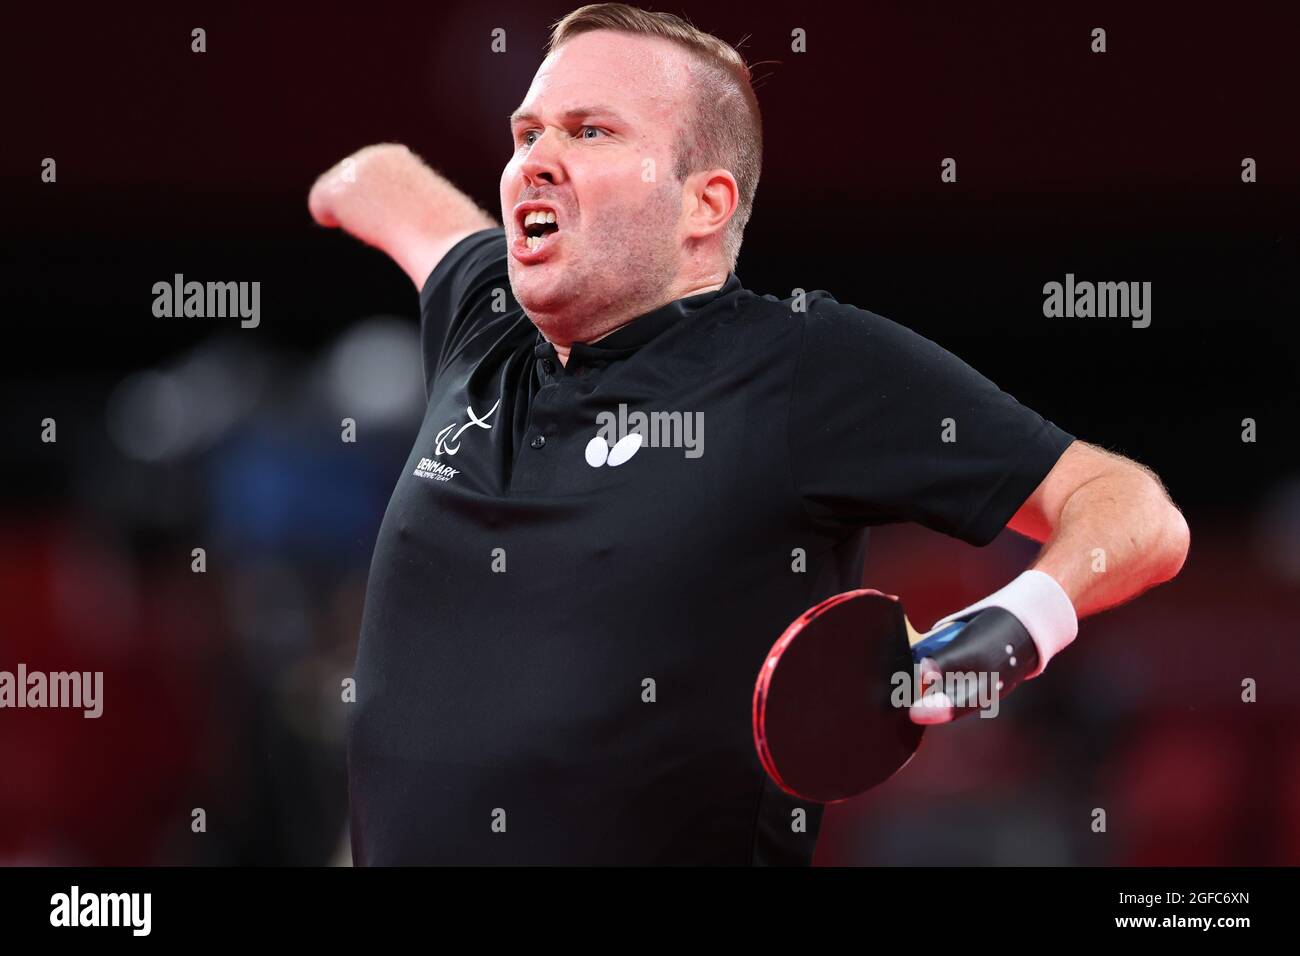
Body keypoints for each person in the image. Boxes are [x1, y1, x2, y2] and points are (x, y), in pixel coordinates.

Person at [308, 3, 1189, 865]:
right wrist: (338, 187)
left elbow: (1136, 516)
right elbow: (381, 178)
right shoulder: (483, 319)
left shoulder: (803, 364)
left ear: (706, 204)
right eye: (526, 133)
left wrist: (1014, 625)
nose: (536, 161)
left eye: (590, 132)